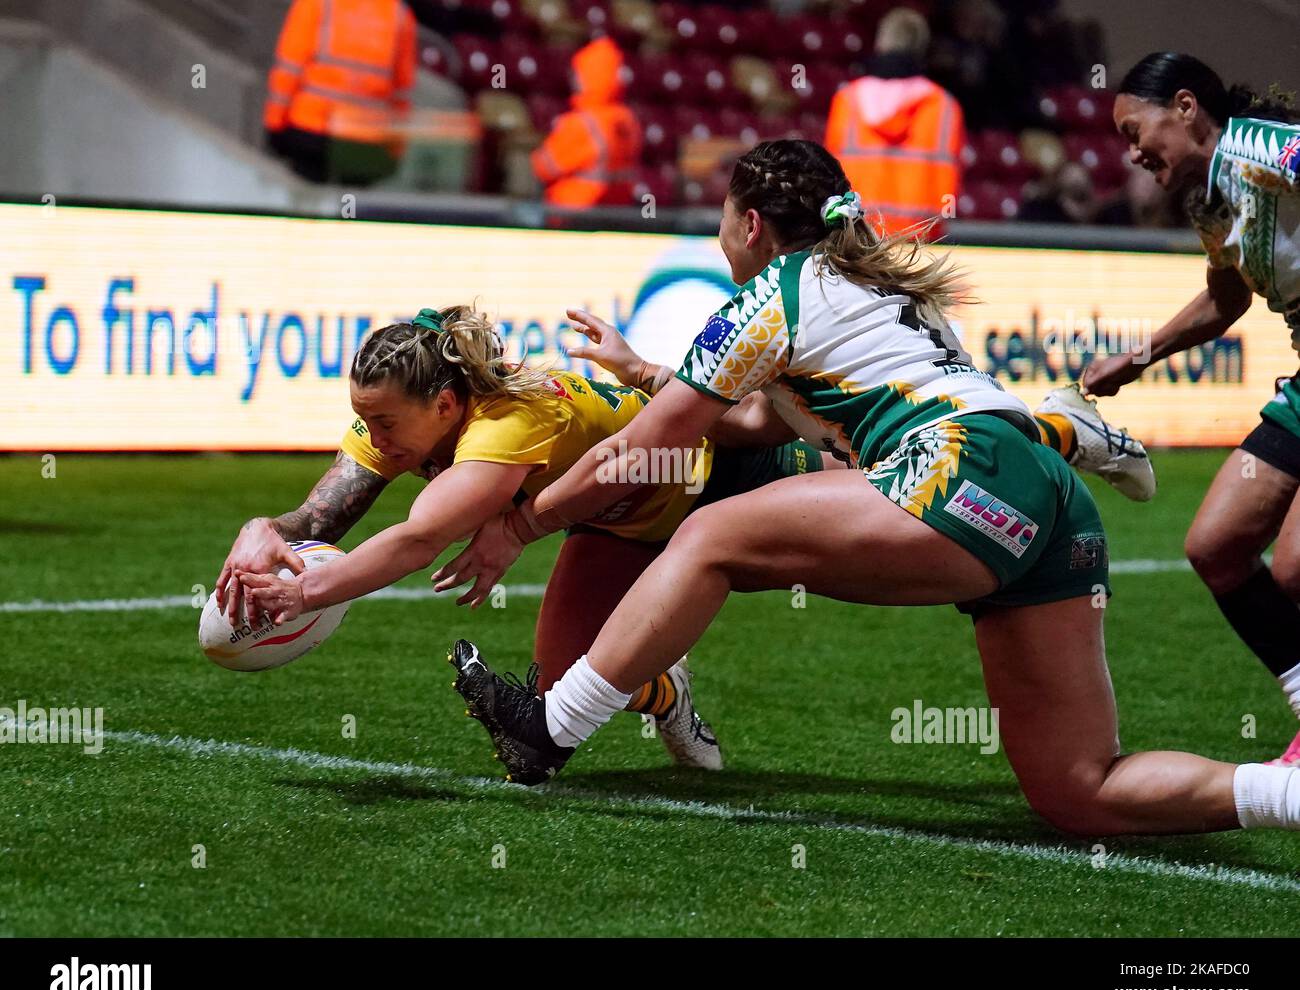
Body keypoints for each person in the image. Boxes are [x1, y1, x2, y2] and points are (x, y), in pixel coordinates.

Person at [439, 140, 1300, 840]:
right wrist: (646, 369)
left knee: (711, 536)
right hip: (1042, 498)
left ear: (749, 223)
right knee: (1080, 793)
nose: (720, 242)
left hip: (959, 472)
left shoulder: (771, 296)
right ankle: (1284, 795)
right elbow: (759, 424)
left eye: (721, 225)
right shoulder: (873, 280)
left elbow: (638, 450)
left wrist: (524, 522)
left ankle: (549, 728)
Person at [216, 305, 834, 771]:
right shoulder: (402, 416)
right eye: (364, 418)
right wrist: (264, 529)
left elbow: (419, 539)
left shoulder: (506, 425)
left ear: (445, 405)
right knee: (561, 687)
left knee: (867, 524)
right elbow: (323, 517)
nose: (372, 437)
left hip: (713, 470)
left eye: (383, 422)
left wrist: (307, 593)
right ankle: (667, 689)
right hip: (616, 517)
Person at [1085, 52, 1300, 764]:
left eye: (1133, 129)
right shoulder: (1212, 196)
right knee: (1216, 546)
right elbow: (1228, 296)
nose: (1133, 150)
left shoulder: (1261, 147)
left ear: (1183, 106)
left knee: (1297, 569)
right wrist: (1138, 357)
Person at [824, 7, 963, 239]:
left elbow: (828, 177)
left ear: (880, 43)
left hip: (857, 239)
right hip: (918, 244)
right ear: (923, 49)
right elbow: (948, 184)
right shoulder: (944, 106)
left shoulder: (847, 100)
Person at [263, 0, 417, 185]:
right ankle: (347, 212)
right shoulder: (399, 14)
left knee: (306, 199)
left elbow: (289, 69)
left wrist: (275, 124)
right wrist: (397, 146)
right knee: (349, 204)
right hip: (361, 137)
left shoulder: (315, 4)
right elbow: (401, 92)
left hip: (313, 129)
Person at [530, 37, 641, 208]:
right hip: (616, 210)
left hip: (573, 212)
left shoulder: (581, 123)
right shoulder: (627, 118)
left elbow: (543, 168)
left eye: (579, 73)